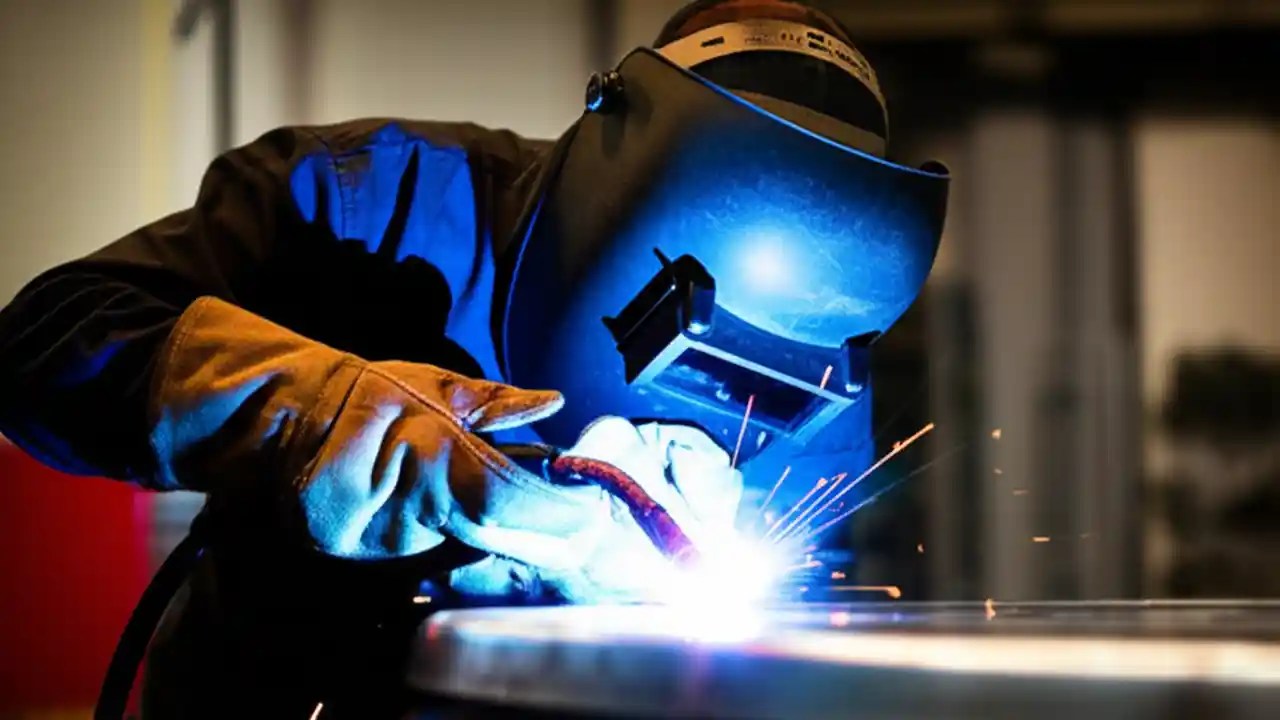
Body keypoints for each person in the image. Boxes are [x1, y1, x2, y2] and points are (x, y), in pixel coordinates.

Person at [0, 1, 949, 717]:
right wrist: (312, 410)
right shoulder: (365, 199)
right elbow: (44, 336)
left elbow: (788, 620)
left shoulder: (825, 364)